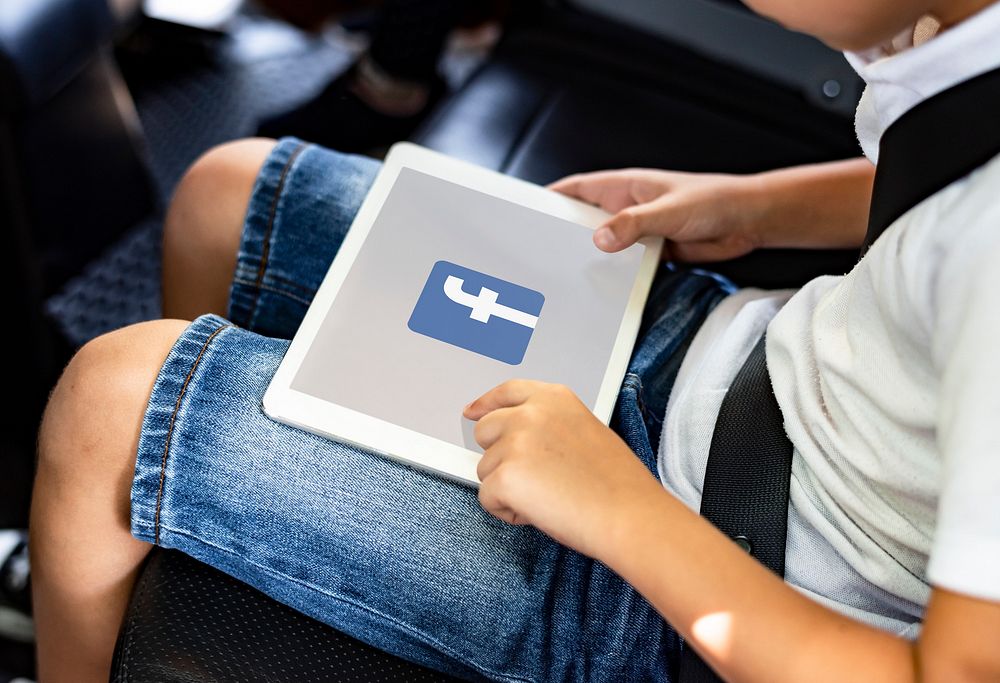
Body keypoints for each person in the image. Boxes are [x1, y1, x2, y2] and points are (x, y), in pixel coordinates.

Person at [30, 0, 1000, 680]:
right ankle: (193, 525)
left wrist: (616, 504)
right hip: (735, 368)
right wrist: (750, 207)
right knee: (225, 193)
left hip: (699, 576)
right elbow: (938, 176)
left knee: (110, 402)